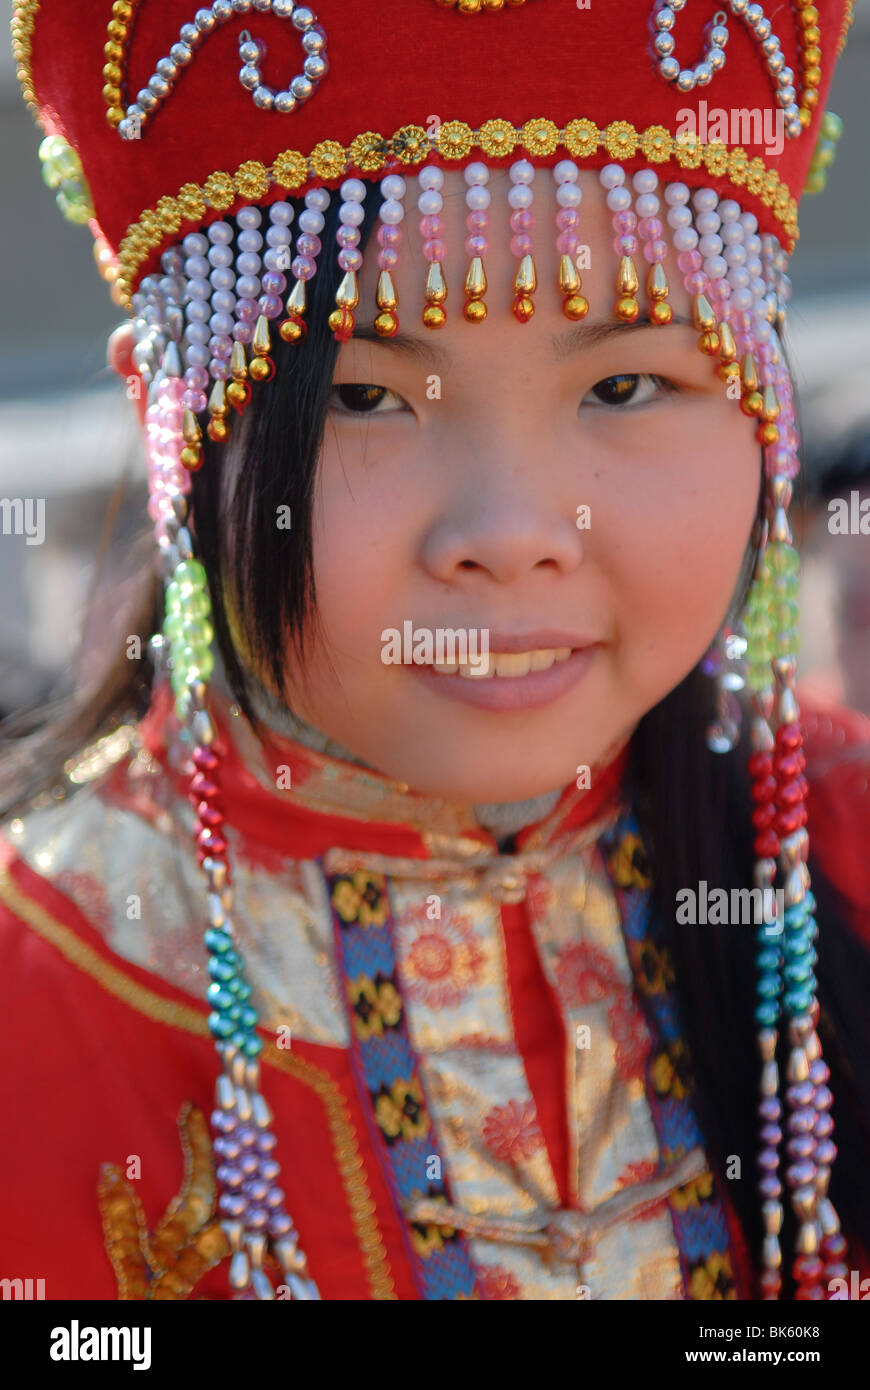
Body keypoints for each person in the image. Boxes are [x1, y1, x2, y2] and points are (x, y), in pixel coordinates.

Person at [1, 0, 868, 1302]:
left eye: (623, 386)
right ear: (169, 422)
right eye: (363, 396)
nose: (511, 535)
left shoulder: (844, 839)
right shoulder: (45, 998)